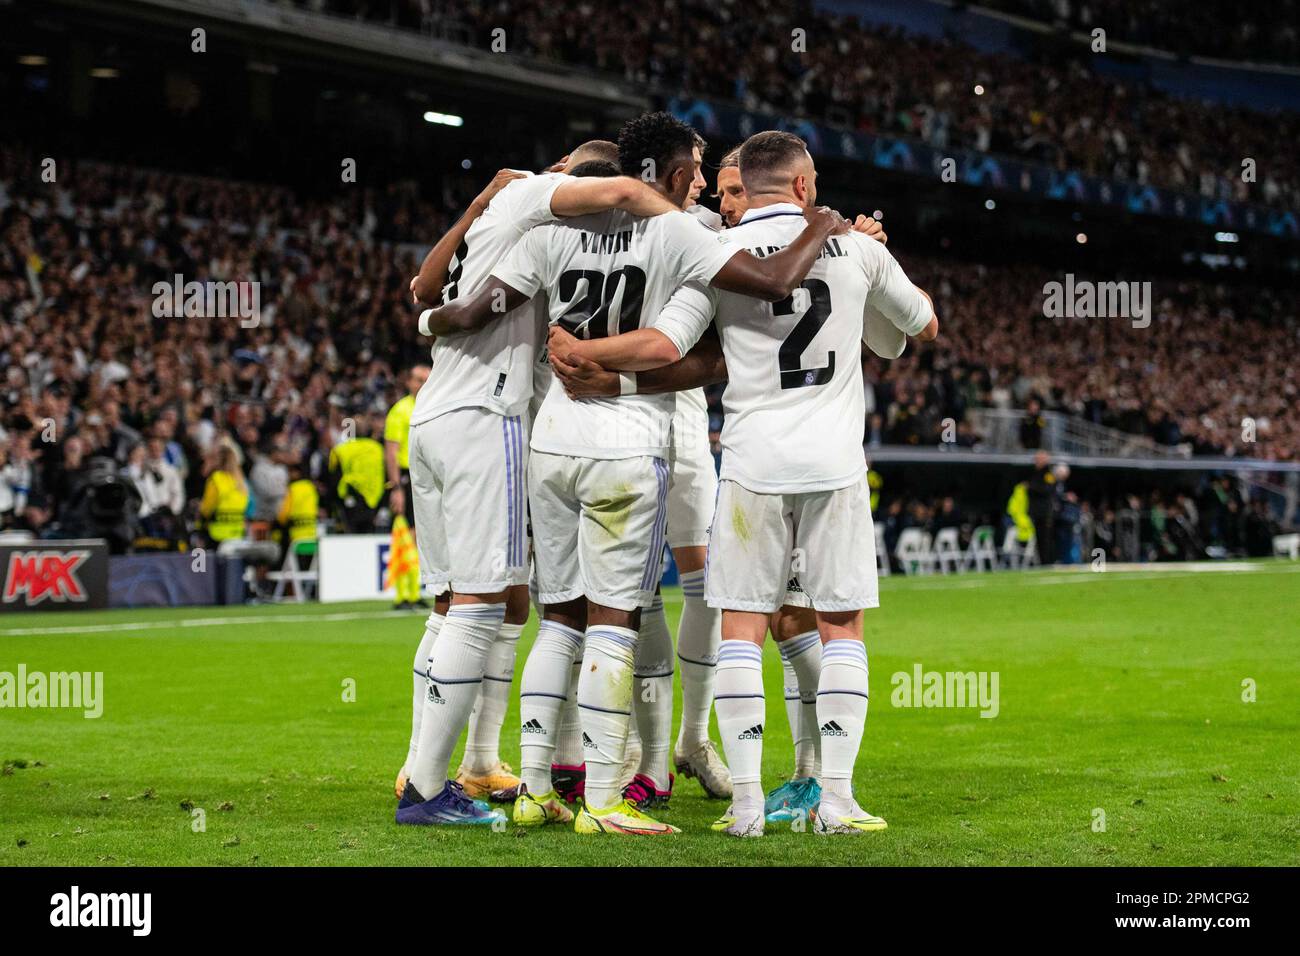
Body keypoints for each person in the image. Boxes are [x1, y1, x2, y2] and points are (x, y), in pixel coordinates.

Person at [418, 111, 851, 835]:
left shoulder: (548, 236)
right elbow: (745, 300)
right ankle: (607, 794)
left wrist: (434, 322)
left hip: (550, 440)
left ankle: (534, 786)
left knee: (561, 619)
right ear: (679, 177)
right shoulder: (684, 236)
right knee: (619, 619)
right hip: (628, 442)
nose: (716, 191)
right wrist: (827, 227)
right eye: (704, 176)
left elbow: (472, 307)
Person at [545, 130, 937, 836]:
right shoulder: (858, 248)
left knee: (741, 631)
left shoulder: (715, 259)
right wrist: (872, 273)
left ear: (745, 187)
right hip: (835, 465)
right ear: (805, 184)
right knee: (840, 623)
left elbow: (672, 347)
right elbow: (922, 324)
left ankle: (748, 806)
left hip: (752, 465)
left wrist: (596, 359)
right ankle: (837, 799)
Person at [327, 416, 385, 533]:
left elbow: (333, 479)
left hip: (350, 499)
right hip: (374, 501)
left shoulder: (339, 450)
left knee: (351, 535)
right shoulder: (378, 449)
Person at [199, 445, 249, 547]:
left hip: (218, 533)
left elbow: (206, 508)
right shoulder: (241, 480)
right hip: (238, 533)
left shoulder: (216, 478)